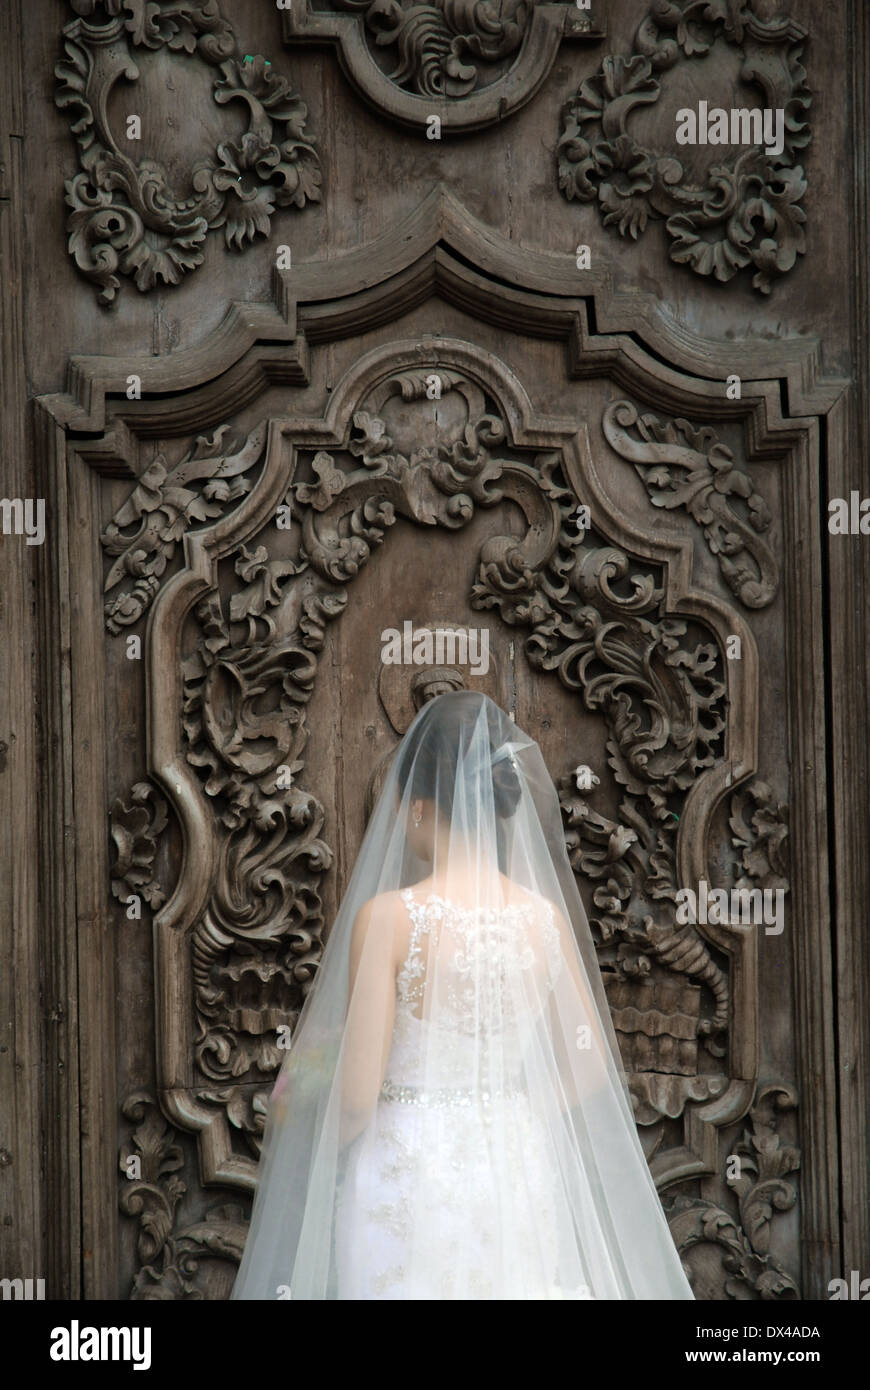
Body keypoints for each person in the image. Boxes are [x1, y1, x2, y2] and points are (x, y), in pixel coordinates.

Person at [231, 690, 695, 1299]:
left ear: (420, 807)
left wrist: (304, 1128)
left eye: (400, 805)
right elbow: (587, 1069)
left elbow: (357, 1098)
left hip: (408, 1175)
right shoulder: (543, 921)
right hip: (518, 1173)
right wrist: (510, 1116)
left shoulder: (391, 919)